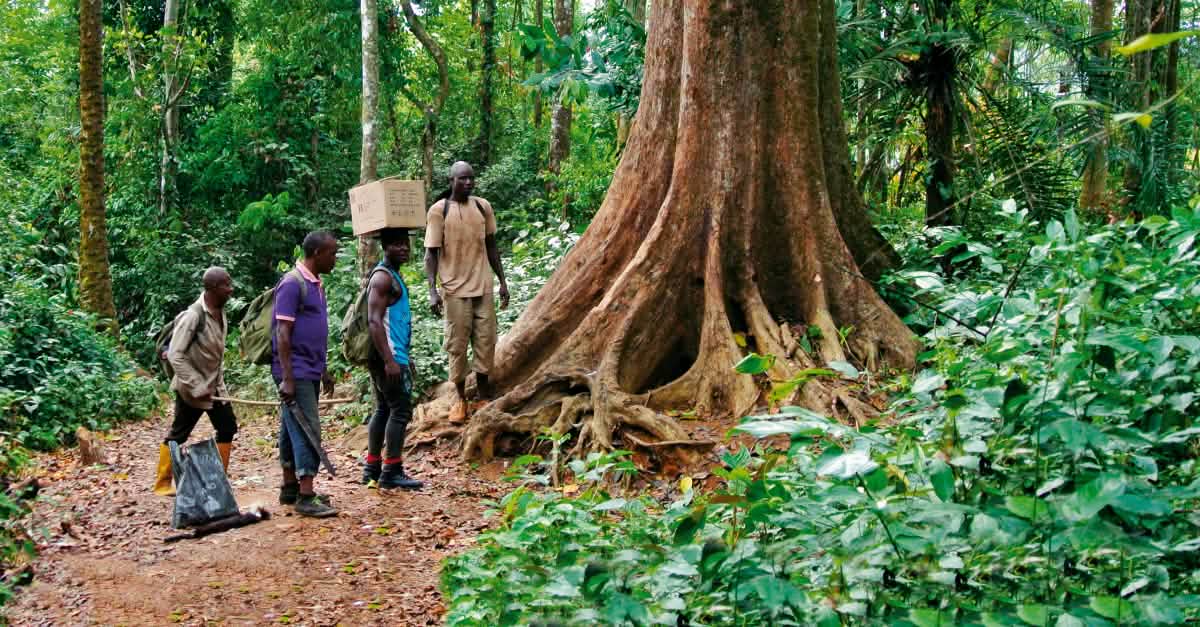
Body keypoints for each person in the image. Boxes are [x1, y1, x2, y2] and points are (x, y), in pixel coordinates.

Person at [424, 161, 509, 423]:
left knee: (486, 341)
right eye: (462, 179)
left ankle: (483, 396)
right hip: (454, 288)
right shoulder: (440, 211)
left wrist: (502, 282)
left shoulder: (483, 207)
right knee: (457, 344)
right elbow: (431, 253)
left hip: (482, 285)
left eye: (471, 178)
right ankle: (460, 399)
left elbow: (492, 246)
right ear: (451, 180)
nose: (468, 183)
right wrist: (432, 291)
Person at [154, 267, 237, 496]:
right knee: (179, 433)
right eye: (226, 286)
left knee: (227, 427)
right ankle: (162, 483)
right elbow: (175, 355)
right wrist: (196, 385)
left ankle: (219, 479)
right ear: (212, 288)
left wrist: (212, 384)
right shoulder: (193, 316)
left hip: (215, 386)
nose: (230, 290)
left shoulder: (219, 311)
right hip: (191, 389)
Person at [273, 231, 339, 517]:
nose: (335, 258)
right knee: (308, 427)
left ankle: (290, 488)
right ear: (316, 254)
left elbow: (313, 331)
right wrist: (288, 377)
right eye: (332, 253)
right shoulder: (292, 283)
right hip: (295, 371)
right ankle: (306, 494)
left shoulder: (316, 284)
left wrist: (323, 370)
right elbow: (283, 333)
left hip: (309, 368)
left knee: (291, 427)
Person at [361, 228, 423, 489]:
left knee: (385, 409)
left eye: (406, 244)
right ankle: (391, 470)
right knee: (400, 410)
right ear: (385, 247)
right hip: (388, 355)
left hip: (392, 354)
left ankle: (372, 468)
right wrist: (390, 360)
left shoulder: (392, 275)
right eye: (397, 245)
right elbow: (374, 321)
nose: (404, 249)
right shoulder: (383, 279)